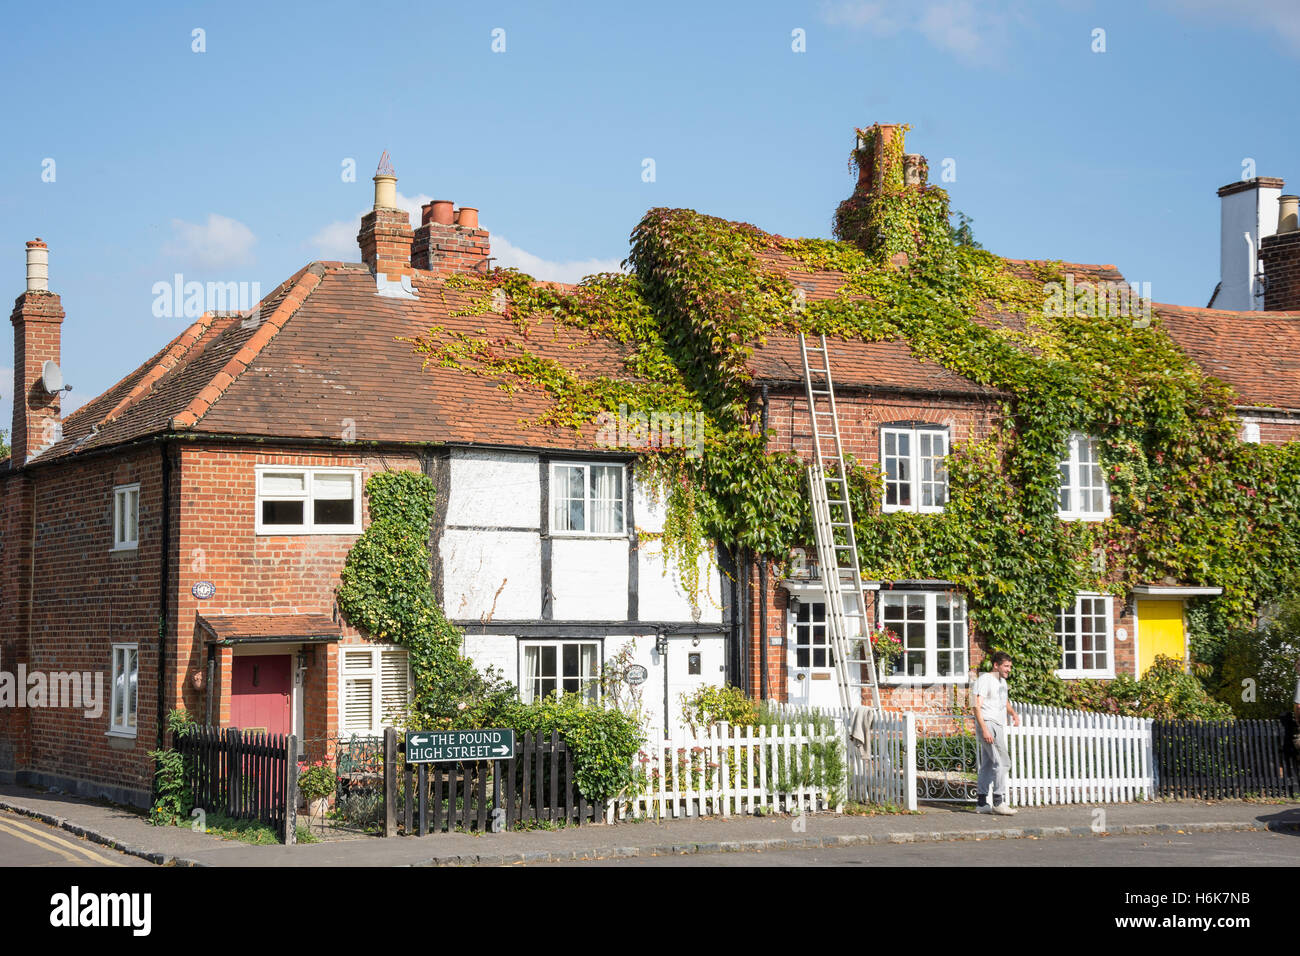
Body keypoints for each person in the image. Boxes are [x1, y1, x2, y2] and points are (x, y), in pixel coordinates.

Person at [973, 651, 1020, 815]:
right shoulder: (985, 680)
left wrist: (1013, 713)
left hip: (996, 724)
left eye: (1010, 666)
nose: (1009, 670)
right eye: (1006, 666)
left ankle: (981, 803)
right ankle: (999, 801)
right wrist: (984, 729)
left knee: (987, 764)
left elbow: (1003, 700)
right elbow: (976, 706)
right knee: (1003, 762)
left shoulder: (1002, 683)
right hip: (988, 723)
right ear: (996, 665)